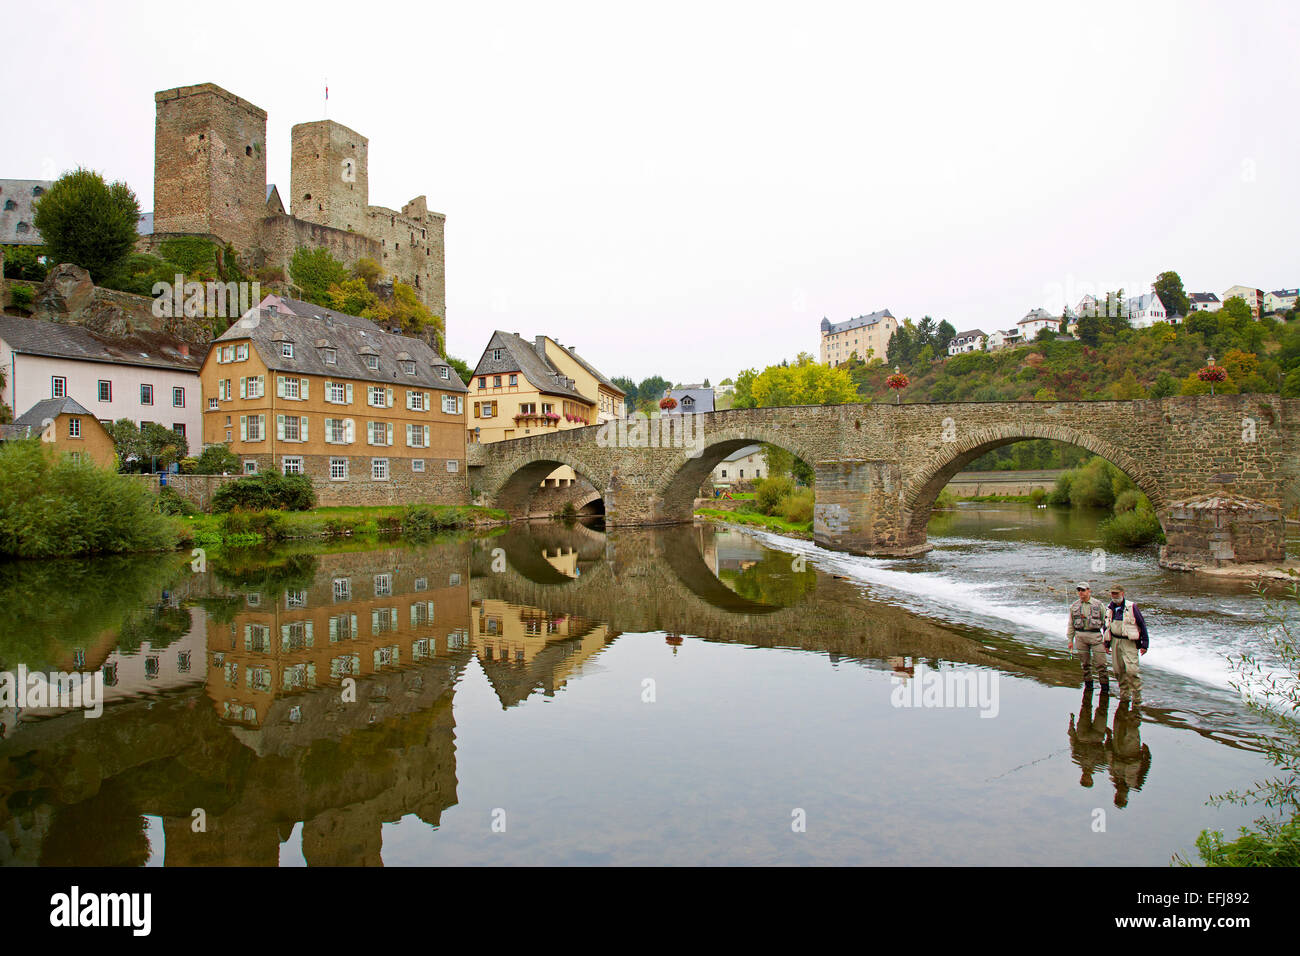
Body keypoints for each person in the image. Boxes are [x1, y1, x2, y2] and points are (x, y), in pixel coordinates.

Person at [1103, 585, 1149, 703]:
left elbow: (1142, 625)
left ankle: (1137, 698)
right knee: (1118, 671)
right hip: (1115, 641)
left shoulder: (1131, 607)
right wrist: (1106, 644)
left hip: (1129, 642)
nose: (1114, 596)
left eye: (1116, 594)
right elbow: (1106, 626)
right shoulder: (1109, 608)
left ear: (1122, 593)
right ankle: (1124, 696)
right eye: (1112, 593)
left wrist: (1145, 644)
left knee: (1132, 671)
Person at [1067, 581, 1108, 693]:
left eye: (1083, 590)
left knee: (1101, 664)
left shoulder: (1098, 604)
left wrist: (1107, 640)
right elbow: (1071, 624)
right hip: (1080, 637)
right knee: (1085, 665)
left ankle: (1105, 689)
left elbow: (1106, 622)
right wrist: (1070, 640)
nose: (1081, 592)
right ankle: (1088, 687)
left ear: (1089, 591)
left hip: (1096, 636)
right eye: (1079, 590)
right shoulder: (1074, 606)